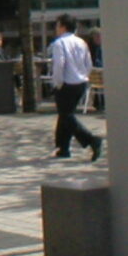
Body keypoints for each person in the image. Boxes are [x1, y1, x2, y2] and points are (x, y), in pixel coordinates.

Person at [48, 14, 102, 161]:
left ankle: (91, 140)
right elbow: (88, 64)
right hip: (81, 82)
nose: (56, 28)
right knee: (66, 114)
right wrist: (83, 76)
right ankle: (63, 148)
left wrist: (57, 83)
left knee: (66, 116)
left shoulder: (59, 43)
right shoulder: (81, 42)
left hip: (66, 83)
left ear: (63, 26)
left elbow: (59, 65)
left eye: (57, 25)